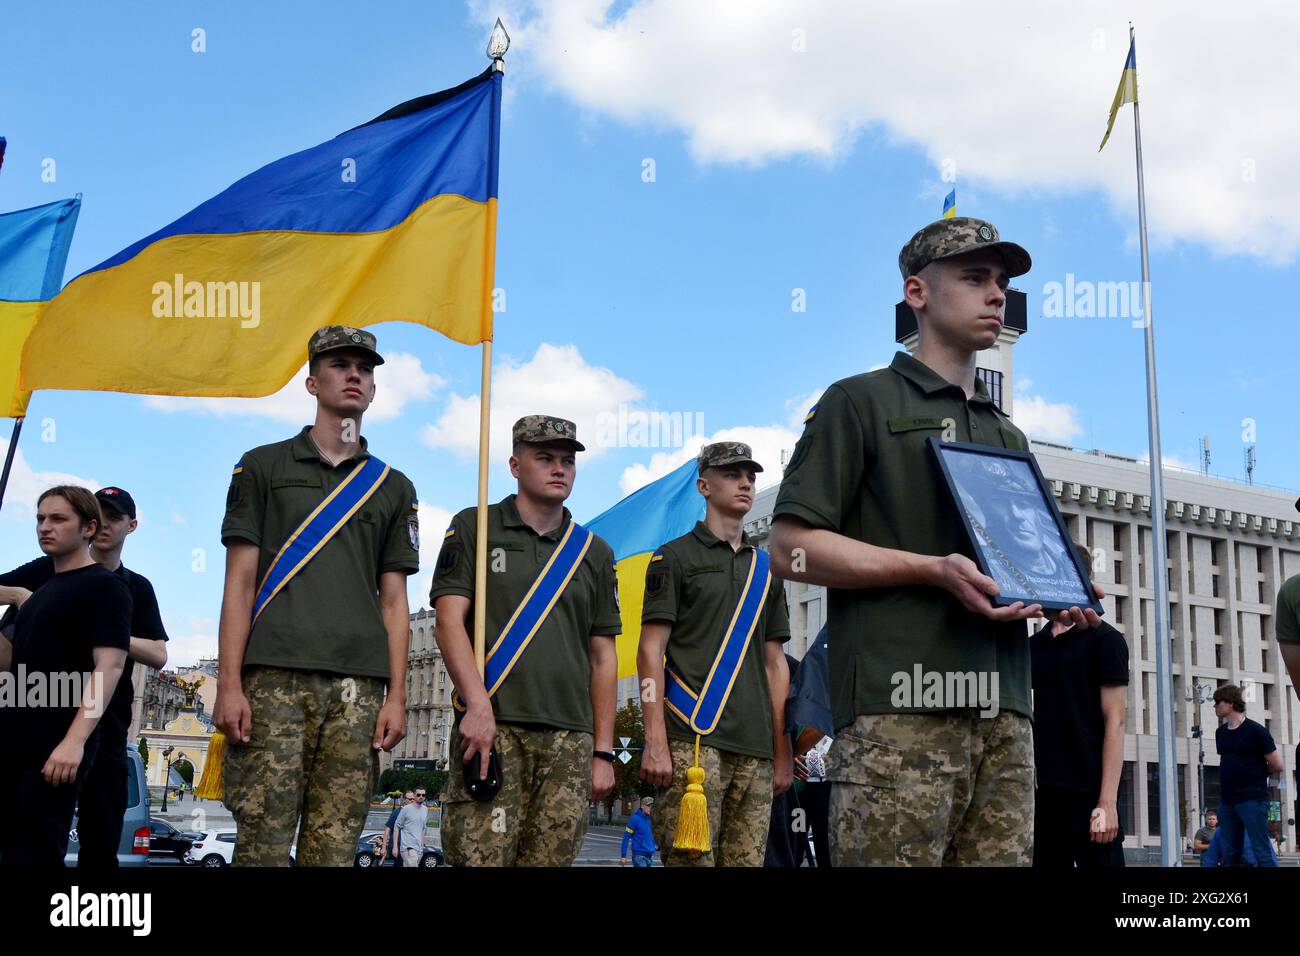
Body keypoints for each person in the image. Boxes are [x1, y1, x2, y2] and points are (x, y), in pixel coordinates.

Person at [768, 217, 1106, 866]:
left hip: (1004, 716)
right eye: (975, 277)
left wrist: (1062, 587)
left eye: (1002, 282)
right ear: (917, 293)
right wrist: (930, 569)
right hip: (899, 710)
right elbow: (790, 549)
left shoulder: (1004, 435)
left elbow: (1025, 556)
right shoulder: (858, 403)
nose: (996, 294)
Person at [214, 326, 419, 867]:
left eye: (366, 368)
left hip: (359, 686)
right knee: (261, 844)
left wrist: (397, 697)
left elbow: (395, 602)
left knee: (333, 848)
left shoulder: (393, 486)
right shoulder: (262, 465)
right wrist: (228, 684)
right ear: (311, 381)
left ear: (373, 391)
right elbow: (239, 583)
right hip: (272, 677)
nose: (355, 374)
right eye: (340, 364)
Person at [431, 416, 621, 867]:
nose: (560, 469)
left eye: (567, 461)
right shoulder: (475, 526)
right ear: (515, 465)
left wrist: (602, 751)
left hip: (568, 738)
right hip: (494, 728)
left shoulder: (594, 552)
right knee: (480, 856)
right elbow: (447, 622)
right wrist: (477, 705)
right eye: (545, 458)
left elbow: (603, 657)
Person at [638, 442, 792, 867]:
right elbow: (650, 652)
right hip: (693, 743)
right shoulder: (674, 557)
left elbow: (775, 664)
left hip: (757, 748)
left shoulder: (769, 569)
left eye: (751, 476)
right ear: (704, 485)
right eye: (732, 475)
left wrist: (783, 750)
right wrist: (654, 740)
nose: (745, 483)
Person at [0, 486, 169, 868]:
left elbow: (120, 663)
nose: (45, 527)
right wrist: (15, 597)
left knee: (88, 840)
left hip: (95, 728)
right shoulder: (43, 580)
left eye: (58, 518)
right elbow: (13, 664)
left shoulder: (119, 587)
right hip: (24, 730)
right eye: (40, 518)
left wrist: (75, 740)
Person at [1030, 544, 1127, 867]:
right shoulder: (1033, 646)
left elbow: (1116, 721)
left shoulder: (1105, 639)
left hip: (1090, 793)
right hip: (1042, 795)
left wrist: (1107, 802)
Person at [1212, 683, 1282, 867]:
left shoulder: (1256, 731)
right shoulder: (1220, 733)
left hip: (1252, 800)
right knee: (1230, 853)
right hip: (1227, 802)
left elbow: (1277, 764)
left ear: (1231, 703)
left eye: (1218, 702)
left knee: (1262, 851)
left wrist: (1256, 774)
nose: (1215, 706)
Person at [394, 788, 429, 867]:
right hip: (407, 847)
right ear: (414, 795)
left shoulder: (425, 810)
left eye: (423, 795)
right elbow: (396, 827)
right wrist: (395, 847)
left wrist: (422, 844)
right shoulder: (406, 809)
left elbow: (423, 828)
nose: (421, 796)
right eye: (418, 795)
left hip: (419, 848)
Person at [620, 797, 657, 867]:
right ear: (642, 806)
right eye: (649, 806)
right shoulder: (634, 819)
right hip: (639, 856)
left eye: (652, 806)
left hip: (649, 856)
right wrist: (623, 856)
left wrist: (654, 847)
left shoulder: (652, 819)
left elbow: (652, 836)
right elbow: (626, 838)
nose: (651, 808)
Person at [381, 792, 414, 867]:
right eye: (410, 799)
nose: (412, 801)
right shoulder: (397, 812)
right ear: (405, 800)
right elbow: (387, 828)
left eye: (413, 799)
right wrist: (383, 847)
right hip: (399, 849)